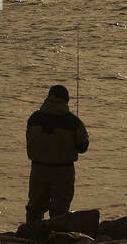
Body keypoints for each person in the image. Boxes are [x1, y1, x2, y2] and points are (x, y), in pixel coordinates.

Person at [25, 84, 89, 224]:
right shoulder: (73, 121)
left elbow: (29, 139)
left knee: (35, 207)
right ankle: (55, 239)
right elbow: (83, 147)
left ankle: (30, 235)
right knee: (60, 210)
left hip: (38, 168)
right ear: (66, 100)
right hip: (63, 170)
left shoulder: (34, 118)